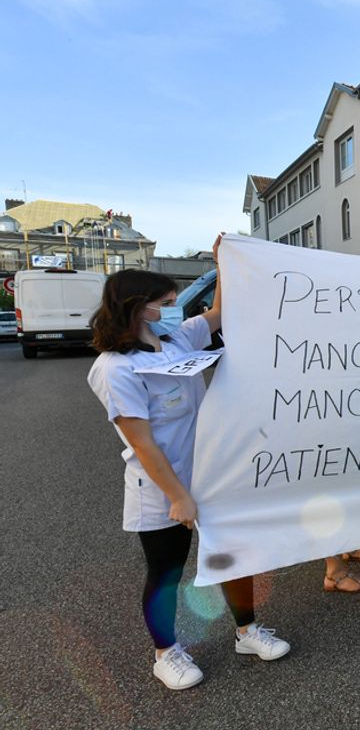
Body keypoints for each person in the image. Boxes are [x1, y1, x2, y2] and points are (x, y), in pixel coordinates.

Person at [86, 238, 291, 691]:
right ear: (138, 306)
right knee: (168, 571)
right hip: (160, 484)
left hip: (213, 471)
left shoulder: (175, 338)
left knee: (233, 552)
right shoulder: (115, 369)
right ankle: (166, 654)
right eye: (164, 299)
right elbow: (143, 444)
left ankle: (246, 631)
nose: (173, 304)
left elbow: (220, 314)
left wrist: (225, 263)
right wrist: (179, 496)